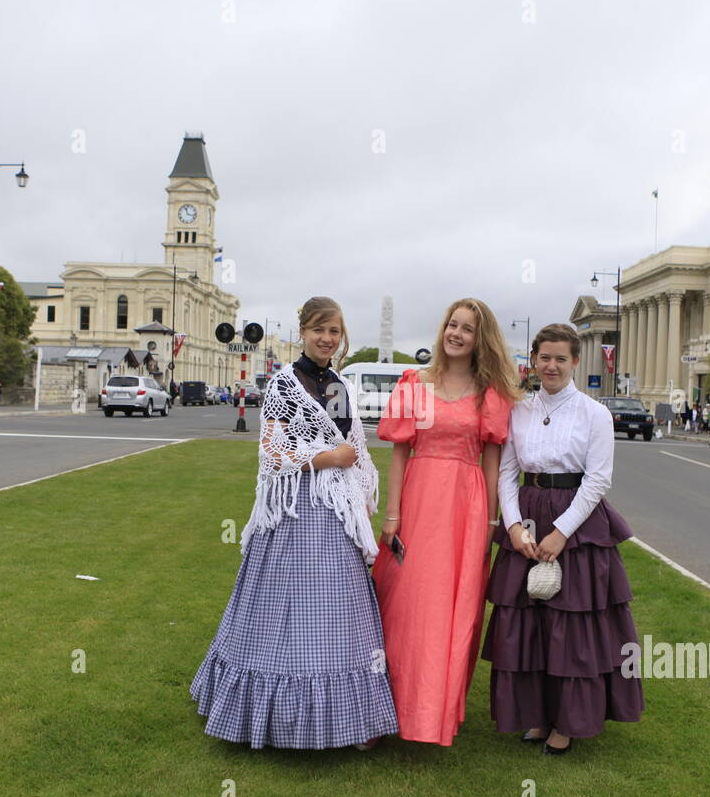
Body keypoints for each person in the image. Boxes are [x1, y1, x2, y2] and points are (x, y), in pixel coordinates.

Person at [190, 297, 399, 749]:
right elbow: (272, 453)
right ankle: (275, 716)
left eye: (335, 332)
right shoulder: (285, 383)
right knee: (287, 608)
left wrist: (360, 494)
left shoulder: (341, 384)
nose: (327, 339)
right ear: (303, 331)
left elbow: (355, 448)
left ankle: (350, 718)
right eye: (319, 330)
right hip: (296, 510)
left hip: (337, 510)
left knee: (340, 608)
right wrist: (329, 458)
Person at [483, 323, 643, 754]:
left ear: (575, 361)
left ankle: (567, 723)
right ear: (533, 360)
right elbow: (507, 472)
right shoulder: (520, 409)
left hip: (577, 522)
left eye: (560, 358)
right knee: (528, 622)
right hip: (528, 514)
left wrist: (560, 534)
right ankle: (535, 715)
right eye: (544, 357)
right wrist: (513, 526)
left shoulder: (595, 414)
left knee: (569, 625)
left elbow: (598, 480)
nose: (551, 365)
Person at [372, 298, 518, 746]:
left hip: (465, 507)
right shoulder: (414, 384)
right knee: (403, 603)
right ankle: (383, 711)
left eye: (467, 329)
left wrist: (491, 522)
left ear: (480, 339)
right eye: (451, 325)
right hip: (417, 500)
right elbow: (400, 453)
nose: (456, 333)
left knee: (452, 610)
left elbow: (492, 461)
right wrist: (392, 514)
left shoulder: (490, 394)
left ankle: (432, 715)